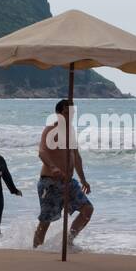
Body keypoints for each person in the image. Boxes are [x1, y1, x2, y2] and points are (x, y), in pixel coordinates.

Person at [34, 98, 93, 248]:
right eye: (67, 113)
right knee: (45, 221)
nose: (70, 116)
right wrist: (53, 167)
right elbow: (42, 152)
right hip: (50, 182)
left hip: (69, 182)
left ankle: (67, 241)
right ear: (58, 114)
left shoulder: (71, 132)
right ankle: (36, 250)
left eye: (72, 113)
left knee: (87, 209)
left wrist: (83, 180)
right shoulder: (51, 130)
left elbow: (77, 157)